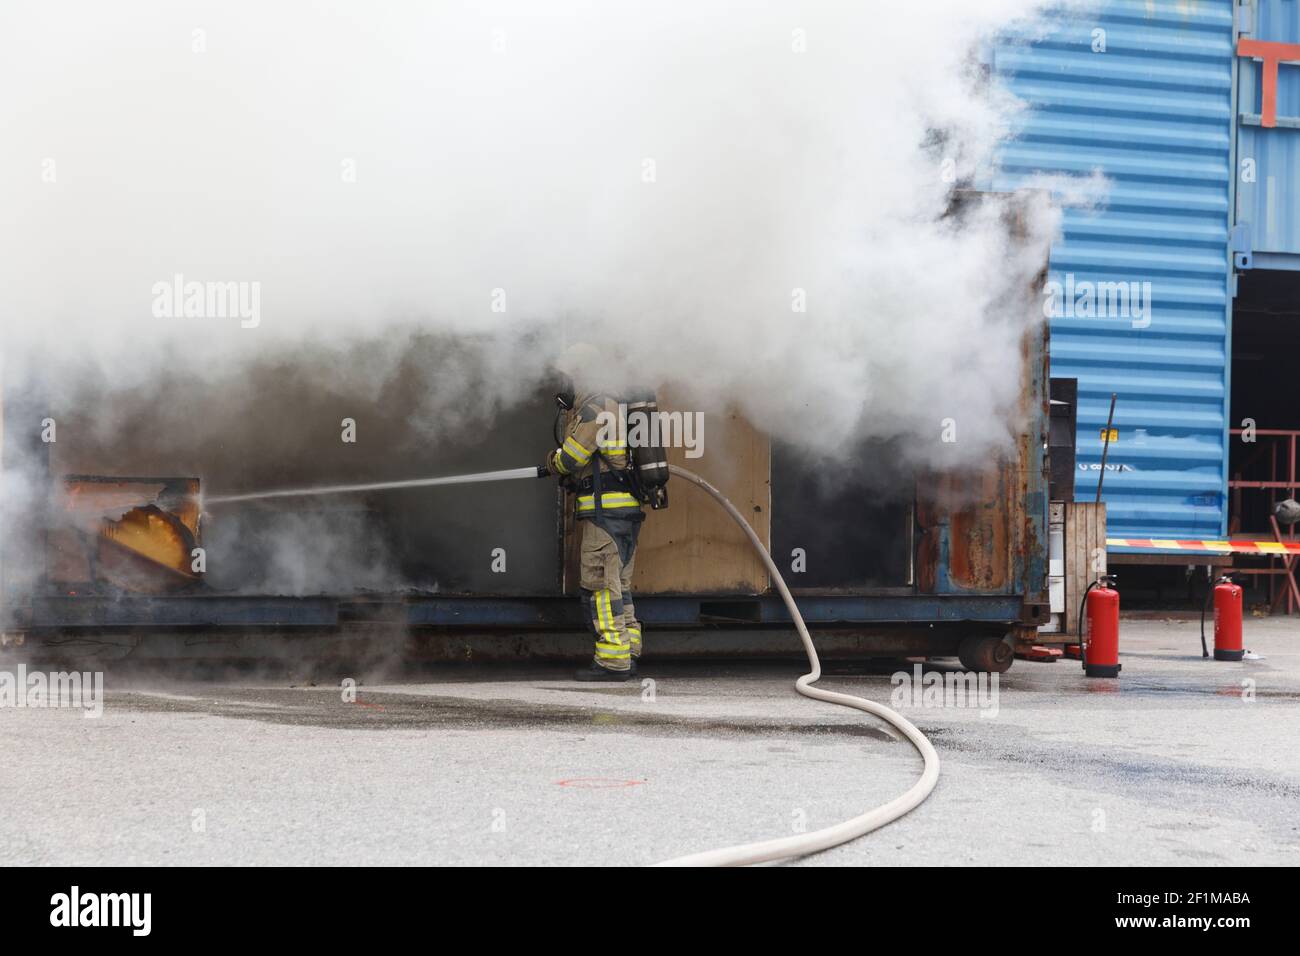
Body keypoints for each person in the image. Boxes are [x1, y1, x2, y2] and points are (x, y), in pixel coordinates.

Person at [540, 344, 645, 682]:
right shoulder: (615, 404)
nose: (563, 385)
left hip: (605, 517)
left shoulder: (596, 407)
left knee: (600, 586)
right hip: (623, 515)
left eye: (567, 376)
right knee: (620, 587)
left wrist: (551, 463)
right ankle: (628, 651)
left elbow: (571, 458)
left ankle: (612, 661)